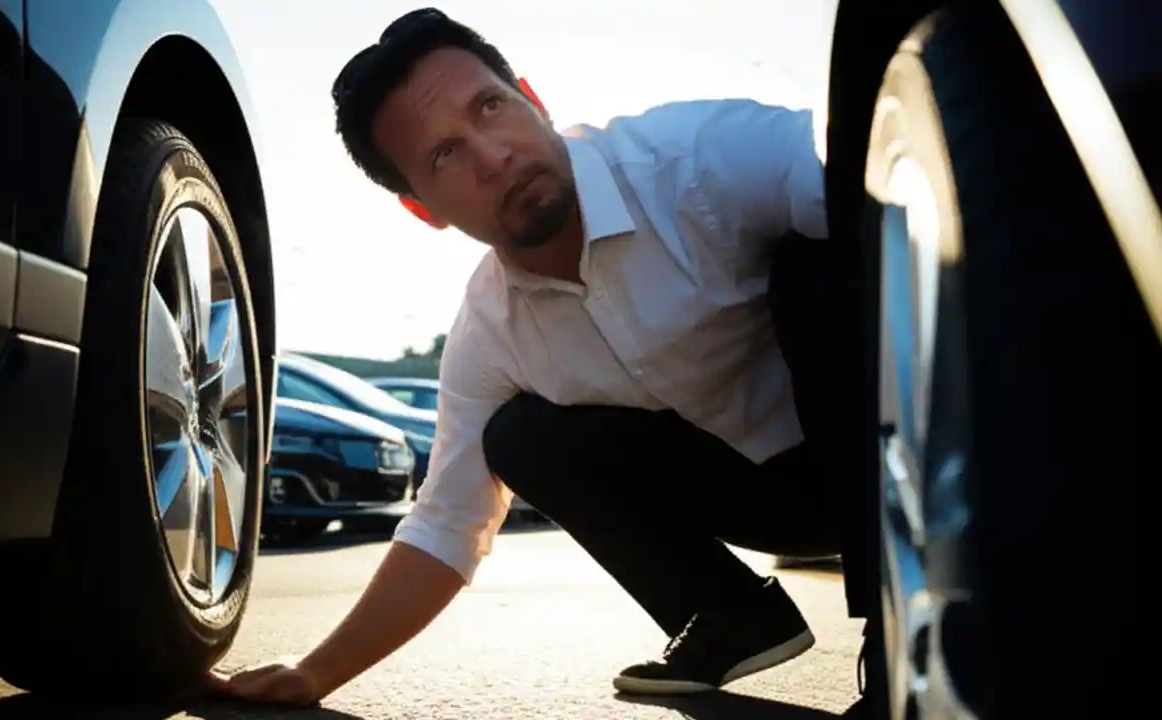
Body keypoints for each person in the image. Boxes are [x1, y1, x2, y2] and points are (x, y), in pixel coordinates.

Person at [208, 7, 874, 712]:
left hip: (897, 460)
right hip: (762, 501)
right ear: (422, 210)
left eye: (491, 106)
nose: (493, 157)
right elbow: (445, 525)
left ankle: (905, 622)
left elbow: (927, 223)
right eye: (444, 155)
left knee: (839, 247)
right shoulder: (490, 333)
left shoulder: (703, 159)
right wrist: (313, 675)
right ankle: (728, 617)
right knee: (518, 437)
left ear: (534, 97)